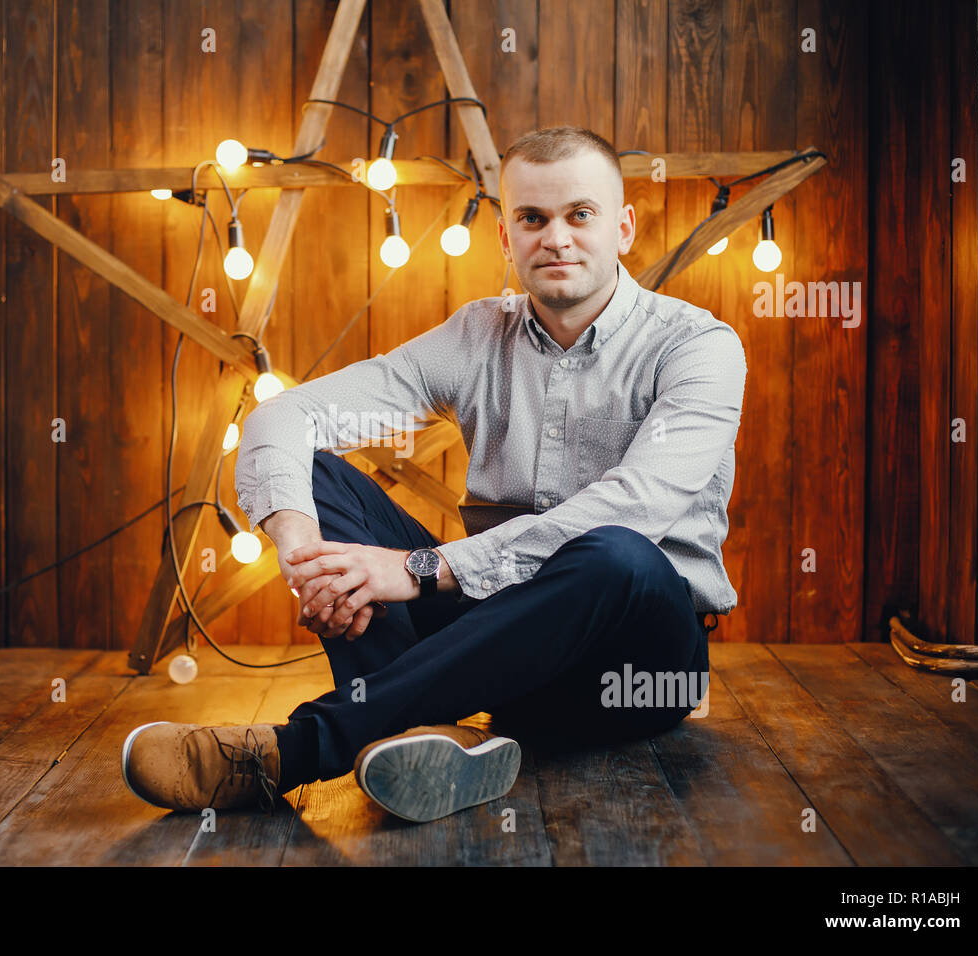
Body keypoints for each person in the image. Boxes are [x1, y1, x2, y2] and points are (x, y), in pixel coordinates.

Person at [122, 126, 747, 823]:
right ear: (507, 240)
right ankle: (416, 739)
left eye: (580, 215)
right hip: (497, 650)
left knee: (618, 552)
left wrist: (418, 570)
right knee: (320, 476)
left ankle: (300, 750)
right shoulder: (478, 335)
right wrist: (310, 563)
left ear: (623, 228)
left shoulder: (699, 347)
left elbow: (635, 507)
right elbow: (286, 418)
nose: (557, 239)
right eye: (532, 219)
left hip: (635, 671)